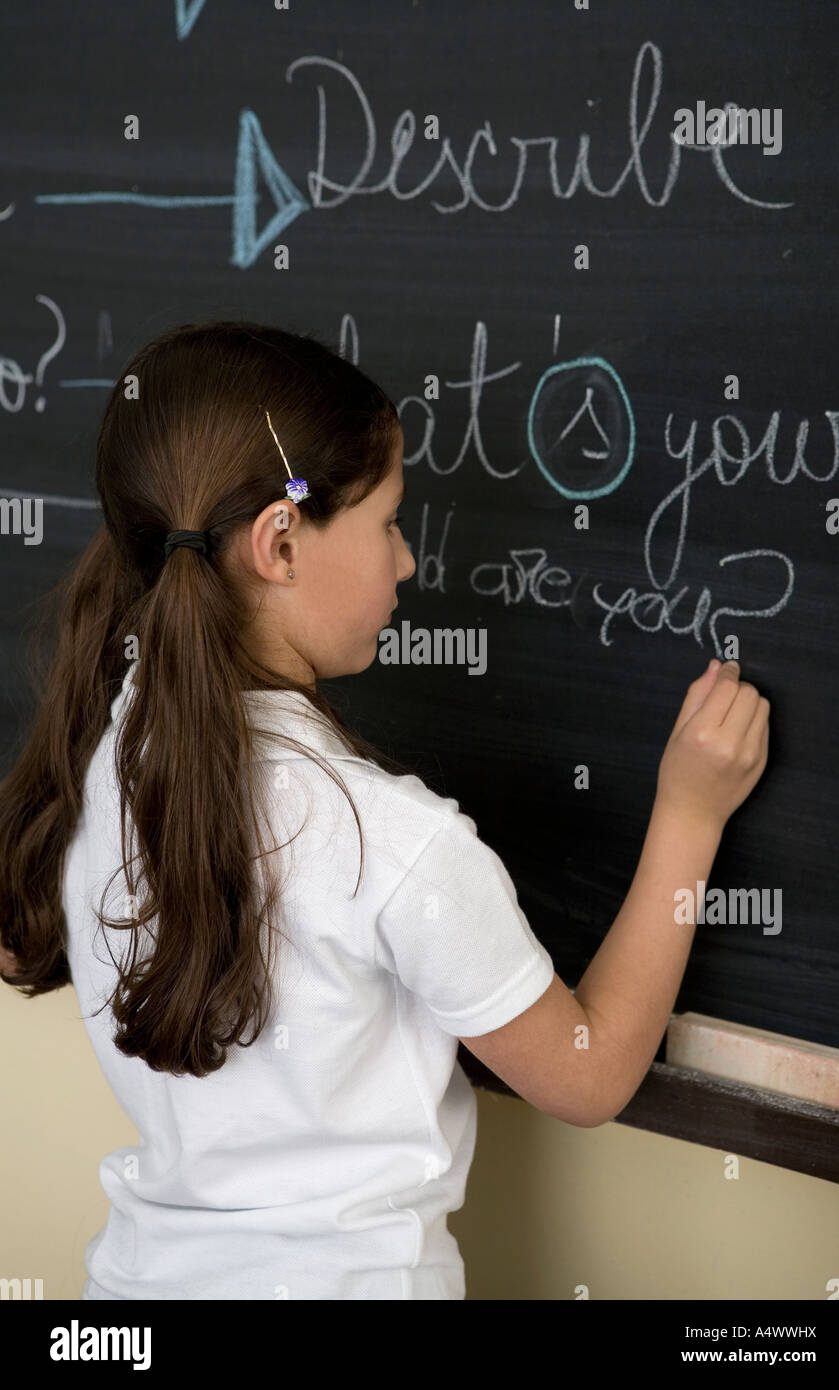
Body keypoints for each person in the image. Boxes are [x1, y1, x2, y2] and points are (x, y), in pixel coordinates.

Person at [0, 320, 770, 1300]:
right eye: (389, 523)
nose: (406, 563)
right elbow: (585, 1076)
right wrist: (688, 816)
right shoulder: (391, 843)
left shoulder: (101, 747)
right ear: (280, 541)